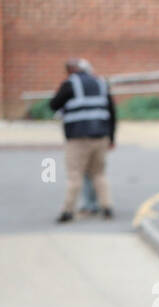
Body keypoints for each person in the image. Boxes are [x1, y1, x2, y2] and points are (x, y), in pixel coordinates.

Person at [50, 58, 115, 223]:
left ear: (70, 70)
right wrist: (112, 137)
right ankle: (106, 207)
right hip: (101, 136)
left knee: (74, 175)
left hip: (78, 138)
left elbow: (54, 104)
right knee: (99, 174)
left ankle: (67, 211)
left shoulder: (70, 84)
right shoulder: (101, 83)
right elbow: (112, 112)